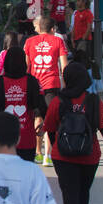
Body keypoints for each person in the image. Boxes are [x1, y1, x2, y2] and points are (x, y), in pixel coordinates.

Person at [43, 61, 103, 204]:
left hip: (62, 156)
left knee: (69, 191)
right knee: (83, 190)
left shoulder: (57, 101)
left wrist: (58, 147)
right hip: (89, 154)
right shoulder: (93, 101)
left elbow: (50, 127)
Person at [0, 45, 47, 161]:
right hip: (27, 138)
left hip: (3, 139)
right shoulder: (32, 81)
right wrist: (45, 125)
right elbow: (42, 107)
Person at [24, 15, 68, 167]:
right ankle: (48, 156)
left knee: (37, 118)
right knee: (52, 120)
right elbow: (64, 65)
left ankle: (37, 152)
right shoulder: (58, 41)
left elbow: (26, 65)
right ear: (52, 29)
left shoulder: (29, 42)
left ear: (39, 27)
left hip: (35, 85)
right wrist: (66, 84)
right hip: (52, 84)